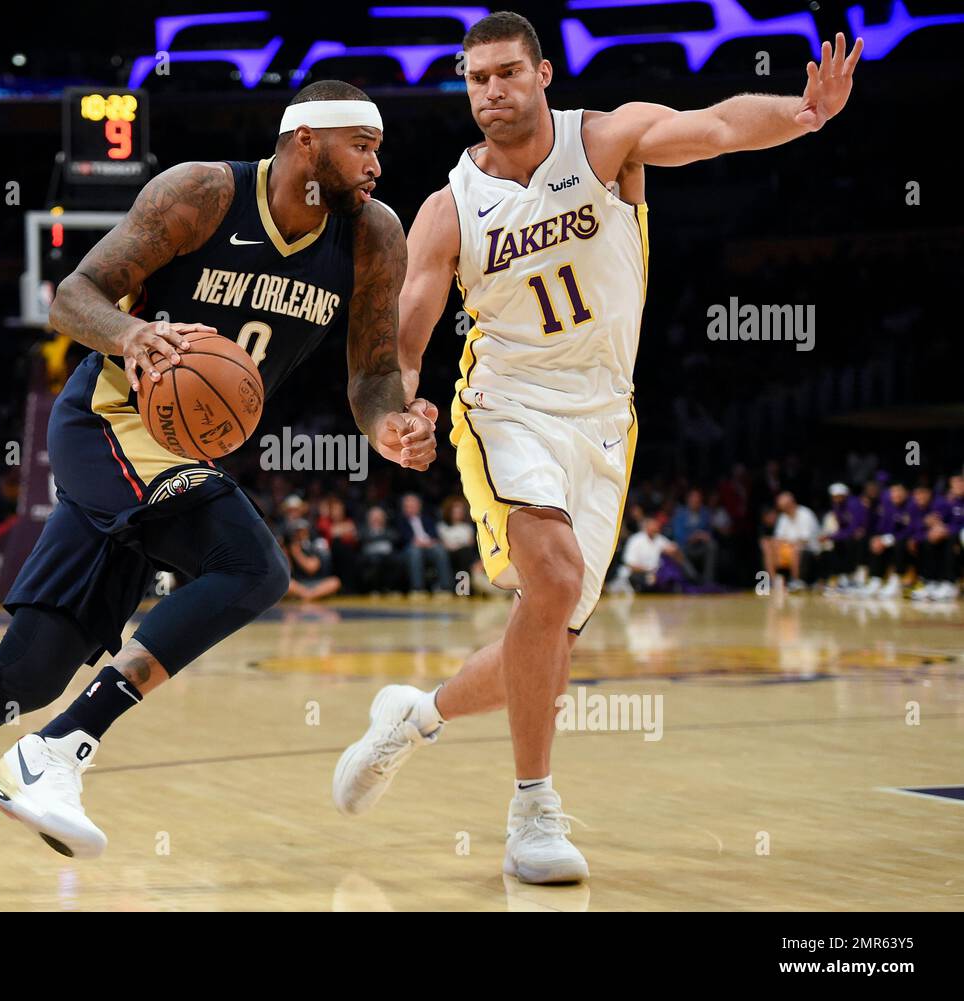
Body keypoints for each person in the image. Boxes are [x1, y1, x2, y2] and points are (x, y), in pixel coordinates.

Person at [0, 81, 439, 901]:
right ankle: (61, 748)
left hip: (177, 453)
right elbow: (73, 295)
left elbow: (373, 372)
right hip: (106, 418)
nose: (377, 164)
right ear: (305, 142)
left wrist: (389, 424)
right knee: (252, 567)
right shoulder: (204, 192)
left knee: (24, 674)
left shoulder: (372, 236)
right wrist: (134, 332)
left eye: (379, 148)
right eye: (363, 144)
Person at [333, 10, 863, 884]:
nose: (492, 90)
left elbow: (721, 127)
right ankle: (533, 810)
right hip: (505, 408)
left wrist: (803, 114)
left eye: (508, 72)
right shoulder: (448, 207)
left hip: (605, 418)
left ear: (544, 76)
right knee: (553, 579)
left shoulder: (608, 142)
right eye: (476, 79)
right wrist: (397, 415)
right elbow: (402, 340)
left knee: (544, 646)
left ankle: (413, 716)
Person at [397, 492, 453, 594]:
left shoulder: (427, 519)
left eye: (414, 505)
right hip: (410, 548)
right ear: (404, 508)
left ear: (419, 506)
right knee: (415, 551)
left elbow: (435, 535)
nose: (411, 508)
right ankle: (418, 589)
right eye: (408, 506)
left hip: (429, 546)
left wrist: (430, 542)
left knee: (440, 550)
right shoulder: (400, 521)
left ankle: (445, 587)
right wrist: (415, 541)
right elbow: (400, 538)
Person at [764, 491, 821, 591]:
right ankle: (773, 582)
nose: (783, 509)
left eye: (784, 506)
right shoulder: (783, 517)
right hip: (789, 549)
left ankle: (796, 581)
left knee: (795, 547)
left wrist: (786, 543)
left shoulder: (805, 514)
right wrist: (775, 544)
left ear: (791, 503)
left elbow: (804, 540)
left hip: (809, 549)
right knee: (768, 546)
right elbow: (778, 538)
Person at [285, 518, 341, 601]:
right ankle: (309, 595)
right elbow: (286, 570)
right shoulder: (290, 548)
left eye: (302, 531)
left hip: (317, 583)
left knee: (335, 582)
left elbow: (311, 568)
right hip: (299, 583)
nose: (300, 535)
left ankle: (307, 595)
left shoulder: (315, 546)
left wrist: (296, 553)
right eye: (297, 532)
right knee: (286, 584)